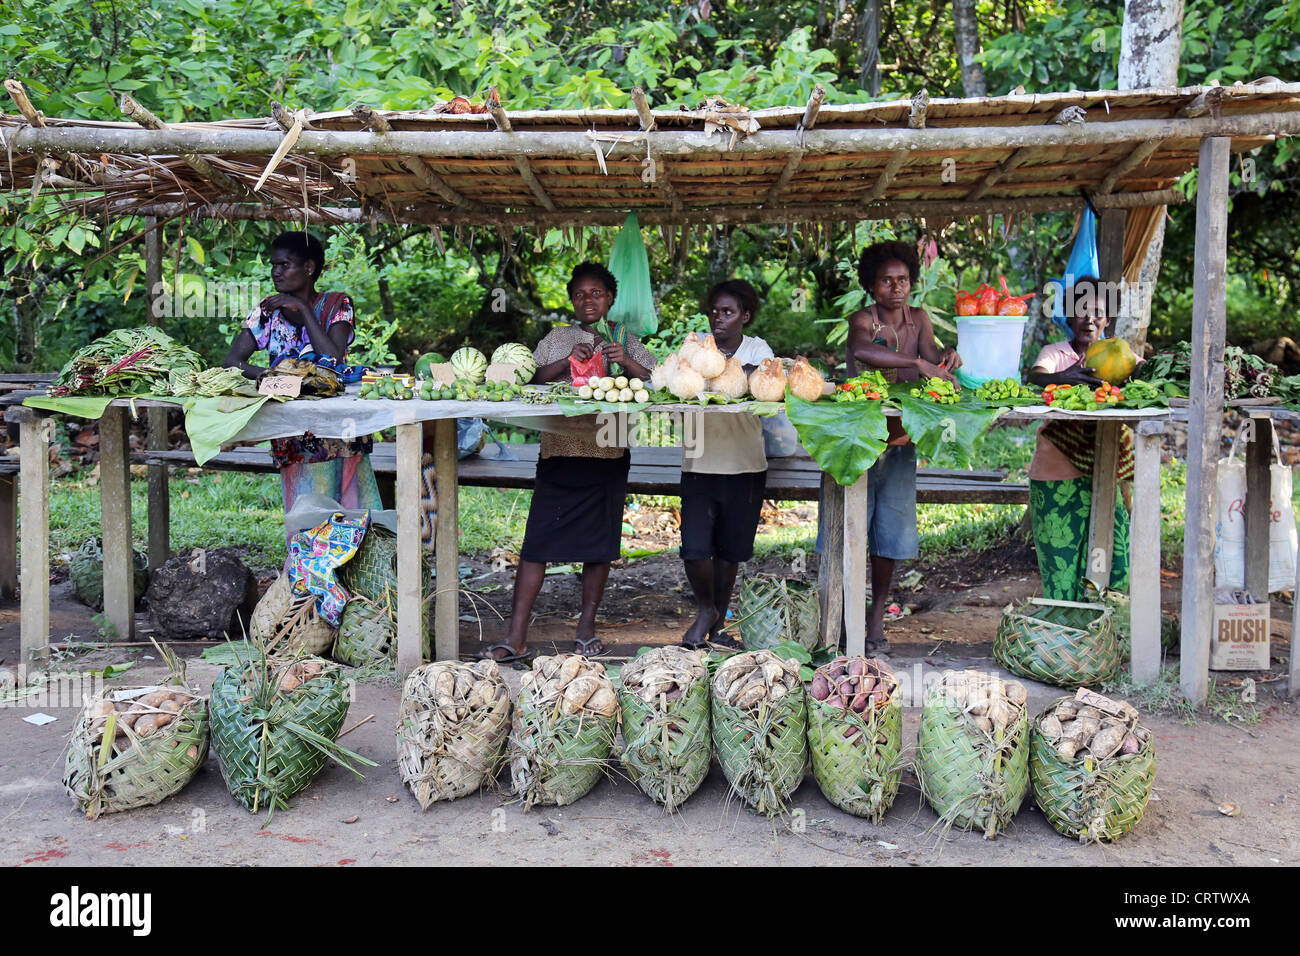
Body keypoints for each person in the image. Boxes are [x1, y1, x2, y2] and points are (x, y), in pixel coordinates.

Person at [480, 262, 656, 662]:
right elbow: (526, 379)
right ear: (571, 300)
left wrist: (625, 360)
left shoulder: (629, 339)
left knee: (599, 548)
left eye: (596, 293)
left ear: (610, 299)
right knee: (536, 546)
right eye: (580, 294)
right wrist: (566, 362)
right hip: (558, 452)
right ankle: (516, 637)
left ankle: (585, 629)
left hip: (607, 453)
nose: (588, 300)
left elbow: (657, 380)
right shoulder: (557, 338)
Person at [844, 240, 962, 653]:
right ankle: (845, 616)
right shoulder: (862, 320)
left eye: (903, 280)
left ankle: (875, 616)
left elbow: (932, 361)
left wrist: (945, 360)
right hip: (857, 442)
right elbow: (862, 350)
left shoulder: (919, 319)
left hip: (899, 441)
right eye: (886, 281)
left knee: (889, 538)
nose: (896, 288)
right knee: (852, 531)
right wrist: (915, 364)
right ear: (871, 286)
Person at [223, 231, 382, 533]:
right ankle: (309, 573)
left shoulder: (337, 304)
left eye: (284, 265)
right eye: (273, 265)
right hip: (292, 430)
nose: (275, 272)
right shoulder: (268, 312)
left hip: (339, 428)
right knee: (305, 510)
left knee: (352, 508)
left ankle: (355, 571)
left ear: (309, 268)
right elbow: (232, 363)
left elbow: (332, 358)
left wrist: (304, 309)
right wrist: (283, 380)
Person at [1025, 275, 1132, 601]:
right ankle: (1066, 631)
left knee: (1112, 553)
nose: (1090, 319)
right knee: (1061, 558)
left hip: (1106, 470)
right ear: (1069, 317)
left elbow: (1144, 376)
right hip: (1057, 470)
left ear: (1108, 320)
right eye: (1082, 311)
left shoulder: (1120, 354)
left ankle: (1108, 627)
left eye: (1098, 312)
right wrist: (1065, 377)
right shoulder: (1056, 354)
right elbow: (1034, 377)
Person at [679, 280, 774, 648]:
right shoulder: (694, 346)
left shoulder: (758, 348)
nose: (718, 318)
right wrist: (737, 373)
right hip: (699, 462)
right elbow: (681, 377)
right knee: (695, 548)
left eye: (728, 312)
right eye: (715, 311)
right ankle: (706, 609)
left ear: (745, 317)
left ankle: (716, 626)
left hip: (745, 465)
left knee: (730, 552)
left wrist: (737, 373)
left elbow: (762, 378)